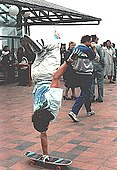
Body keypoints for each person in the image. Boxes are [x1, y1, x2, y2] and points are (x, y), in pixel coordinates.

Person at [21, 35, 74, 162]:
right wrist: (45, 154)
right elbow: (42, 134)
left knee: (55, 45)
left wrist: (69, 62)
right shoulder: (37, 111)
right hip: (35, 74)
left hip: (47, 74)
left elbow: (56, 77)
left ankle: (41, 42)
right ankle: (38, 47)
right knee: (40, 52)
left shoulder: (53, 107)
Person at [68, 35, 96, 122]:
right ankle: (74, 111)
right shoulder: (87, 49)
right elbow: (95, 57)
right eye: (90, 42)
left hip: (78, 73)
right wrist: (94, 49)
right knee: (85, 92)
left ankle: (89, 110)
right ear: (87, 42)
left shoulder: (76, 49)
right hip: (86, 73)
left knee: (85, 91)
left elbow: (70, 60)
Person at [90, 35, 105, 102]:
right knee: (100, 82)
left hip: (91, 66)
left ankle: (91, 96)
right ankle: (100, 97)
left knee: (91, 82)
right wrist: (103, 65)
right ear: (95, 39)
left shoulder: (88, 46)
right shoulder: (98, 46)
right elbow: (102, 57)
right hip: (99, 66)